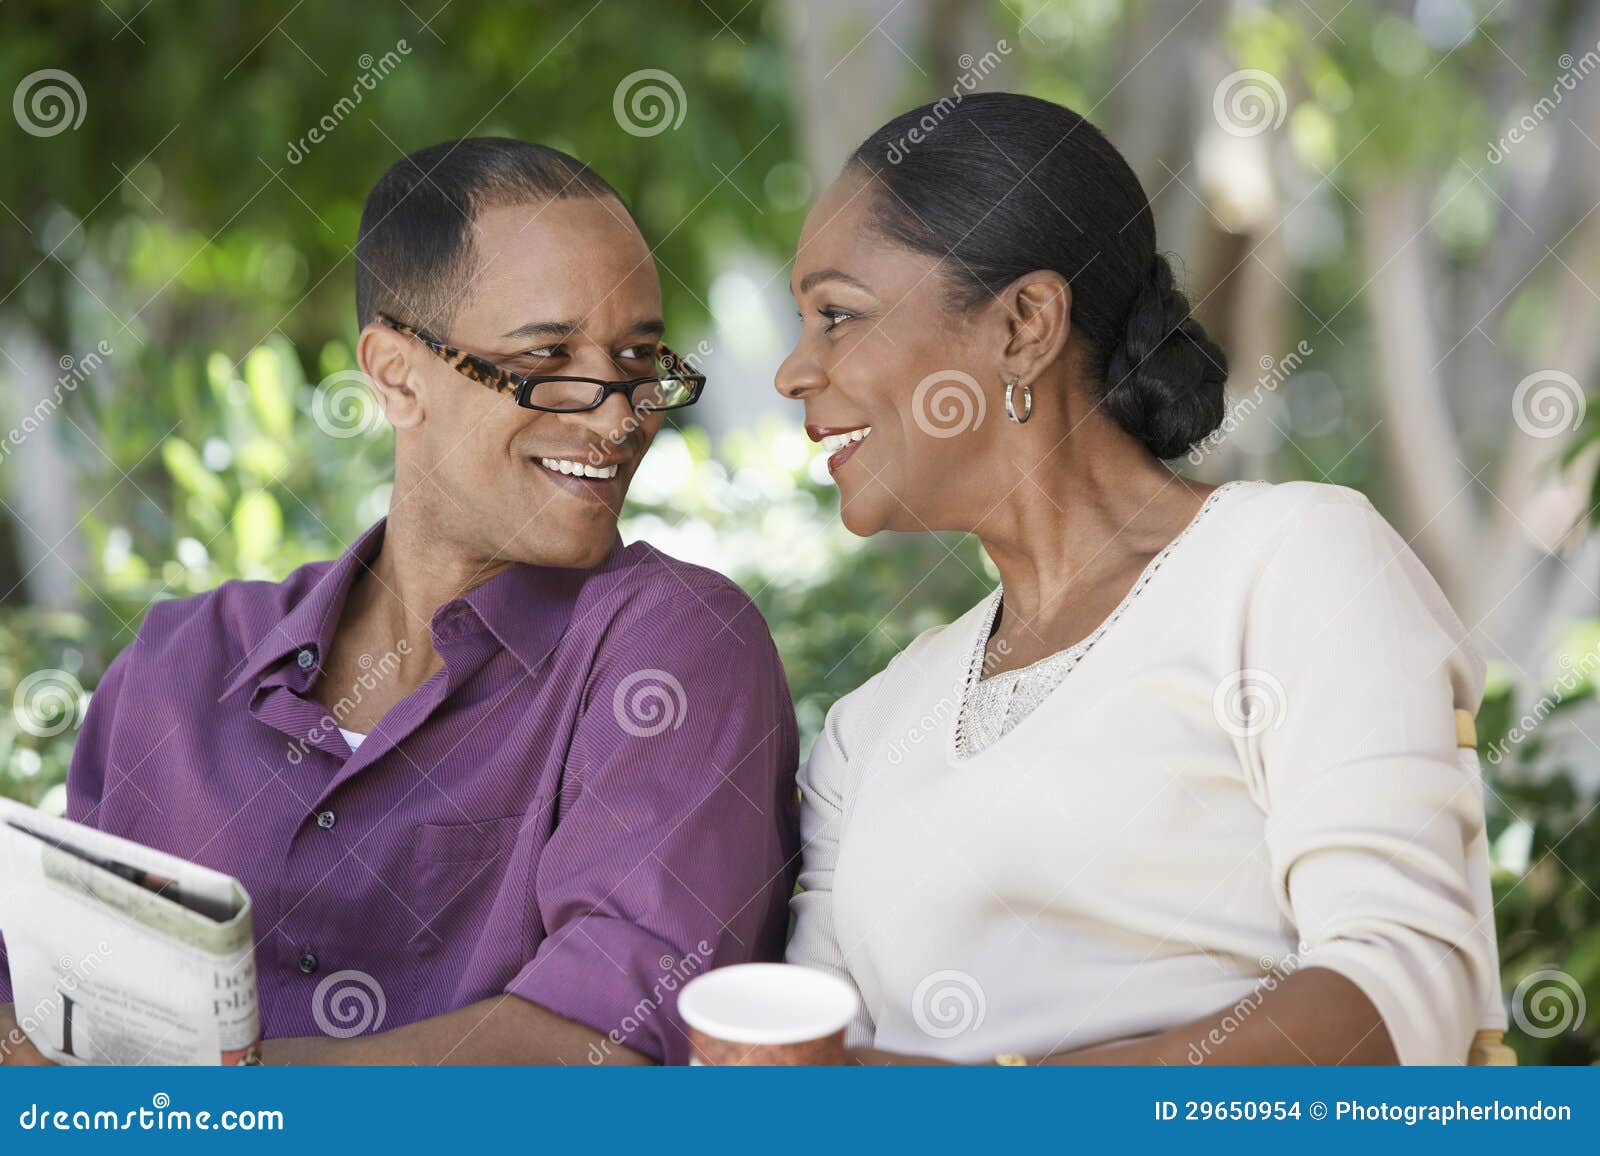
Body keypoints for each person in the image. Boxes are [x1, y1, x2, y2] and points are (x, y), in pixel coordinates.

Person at [0, 138, 799, 1066]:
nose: (619, 416)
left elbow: (609, 1050)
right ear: (394, 374)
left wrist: (197, 1097)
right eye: (549, 357)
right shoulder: (179, 665)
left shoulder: (672, 647)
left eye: (636, 358)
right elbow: (38, 998)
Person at [778, 93, 1498, 1066]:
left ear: (1023, 323)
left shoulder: (1290, 564)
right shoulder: (870, 728)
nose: (790, 370)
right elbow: (810, 1069)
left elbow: (1391, 998)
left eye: (836, 316)